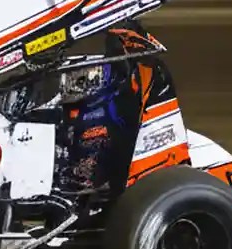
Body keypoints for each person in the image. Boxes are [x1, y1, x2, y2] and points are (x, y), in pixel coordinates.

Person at [51, 22, 175, 197]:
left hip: (126, 147)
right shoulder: (107, 70)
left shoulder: (145, 73)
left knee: (96, 123)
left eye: (118, 45)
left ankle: (86, 176)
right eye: (113, 45)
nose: (115, 49)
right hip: (95, 134)